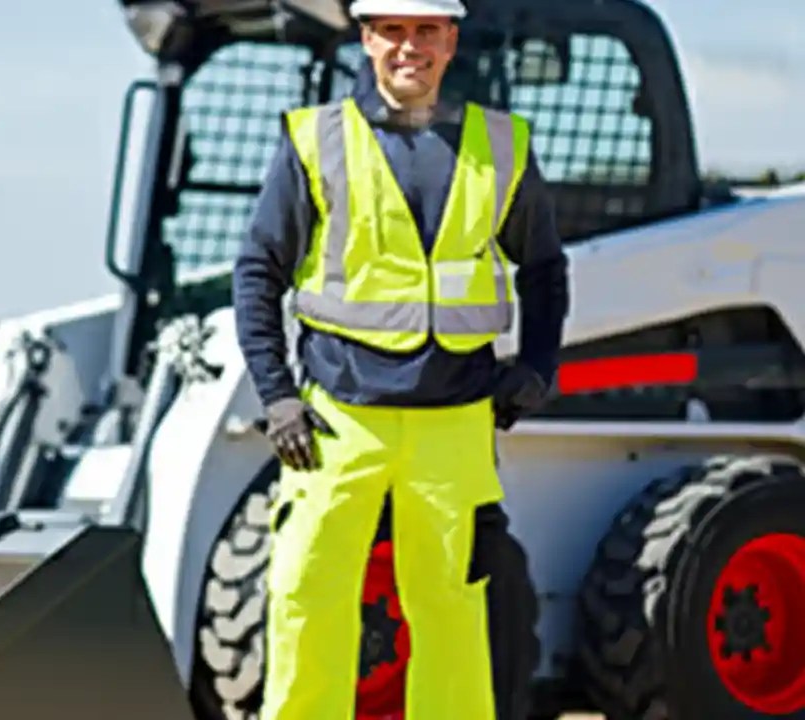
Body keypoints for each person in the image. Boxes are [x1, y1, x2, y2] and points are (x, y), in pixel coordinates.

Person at [231, 0, 571, 718]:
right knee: (304, 595)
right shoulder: (316, 139)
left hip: (455, 423)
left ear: (451, 41)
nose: (408, 47)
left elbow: (543, 267)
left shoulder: (500, 145)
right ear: (367, 39)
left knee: (452, 612)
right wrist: (277, 395)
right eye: (392, 30)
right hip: (336, 422)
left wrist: (538, 366)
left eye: (425, 31)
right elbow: (259, 267)